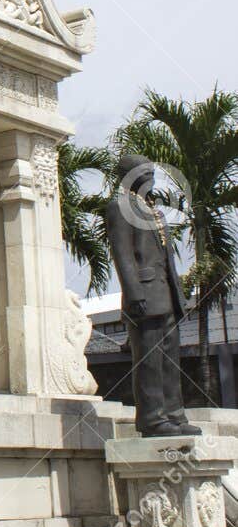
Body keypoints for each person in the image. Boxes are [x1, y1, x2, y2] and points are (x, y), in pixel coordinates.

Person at [103, 153, 200, 438]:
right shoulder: (119, 206)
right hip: (144, 295)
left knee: (169, 359)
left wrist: (177, 293)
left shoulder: (151, 209)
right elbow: (123, 254)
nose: (150, 178)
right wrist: (134, 294)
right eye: (143, 173)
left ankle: (175, 415)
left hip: (166, 292)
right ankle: (153, 419)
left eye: (151, 173)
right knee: (149, 361)